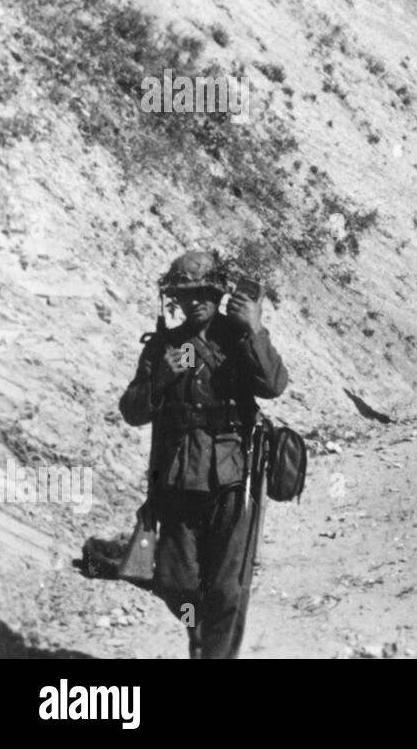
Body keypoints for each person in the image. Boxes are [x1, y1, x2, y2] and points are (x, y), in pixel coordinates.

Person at [119, 249, 289, 659]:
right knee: (177, 584)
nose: (194, 301)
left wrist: (255, 328)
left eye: (202, 293)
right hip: (177, 483)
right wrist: (161, 378)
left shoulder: (238, 339)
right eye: (184, 294)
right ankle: (198, 636)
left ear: (218, 293)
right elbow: (132, 410)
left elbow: (273, 384)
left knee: (227, 589)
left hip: (231, 482)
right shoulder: (164, 346)